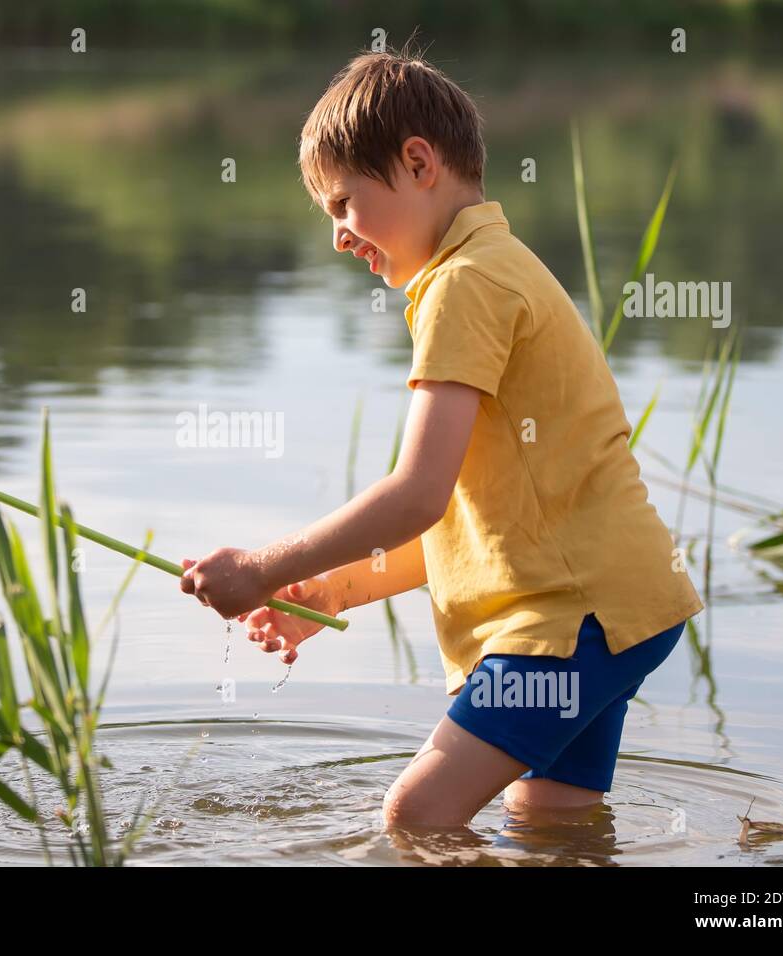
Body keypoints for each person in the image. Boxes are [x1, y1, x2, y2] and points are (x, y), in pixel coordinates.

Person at [179, 46, 703, 831]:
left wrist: (261, 568)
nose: (339, 237)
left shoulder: (466, 285)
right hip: (613, 614)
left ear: (417, 162)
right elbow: (460, 527)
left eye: (344, 205)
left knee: (415, 817)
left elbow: (415, 495)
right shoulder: (491, 269)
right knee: (552, 828)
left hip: (570, 625)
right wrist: (326, 591)